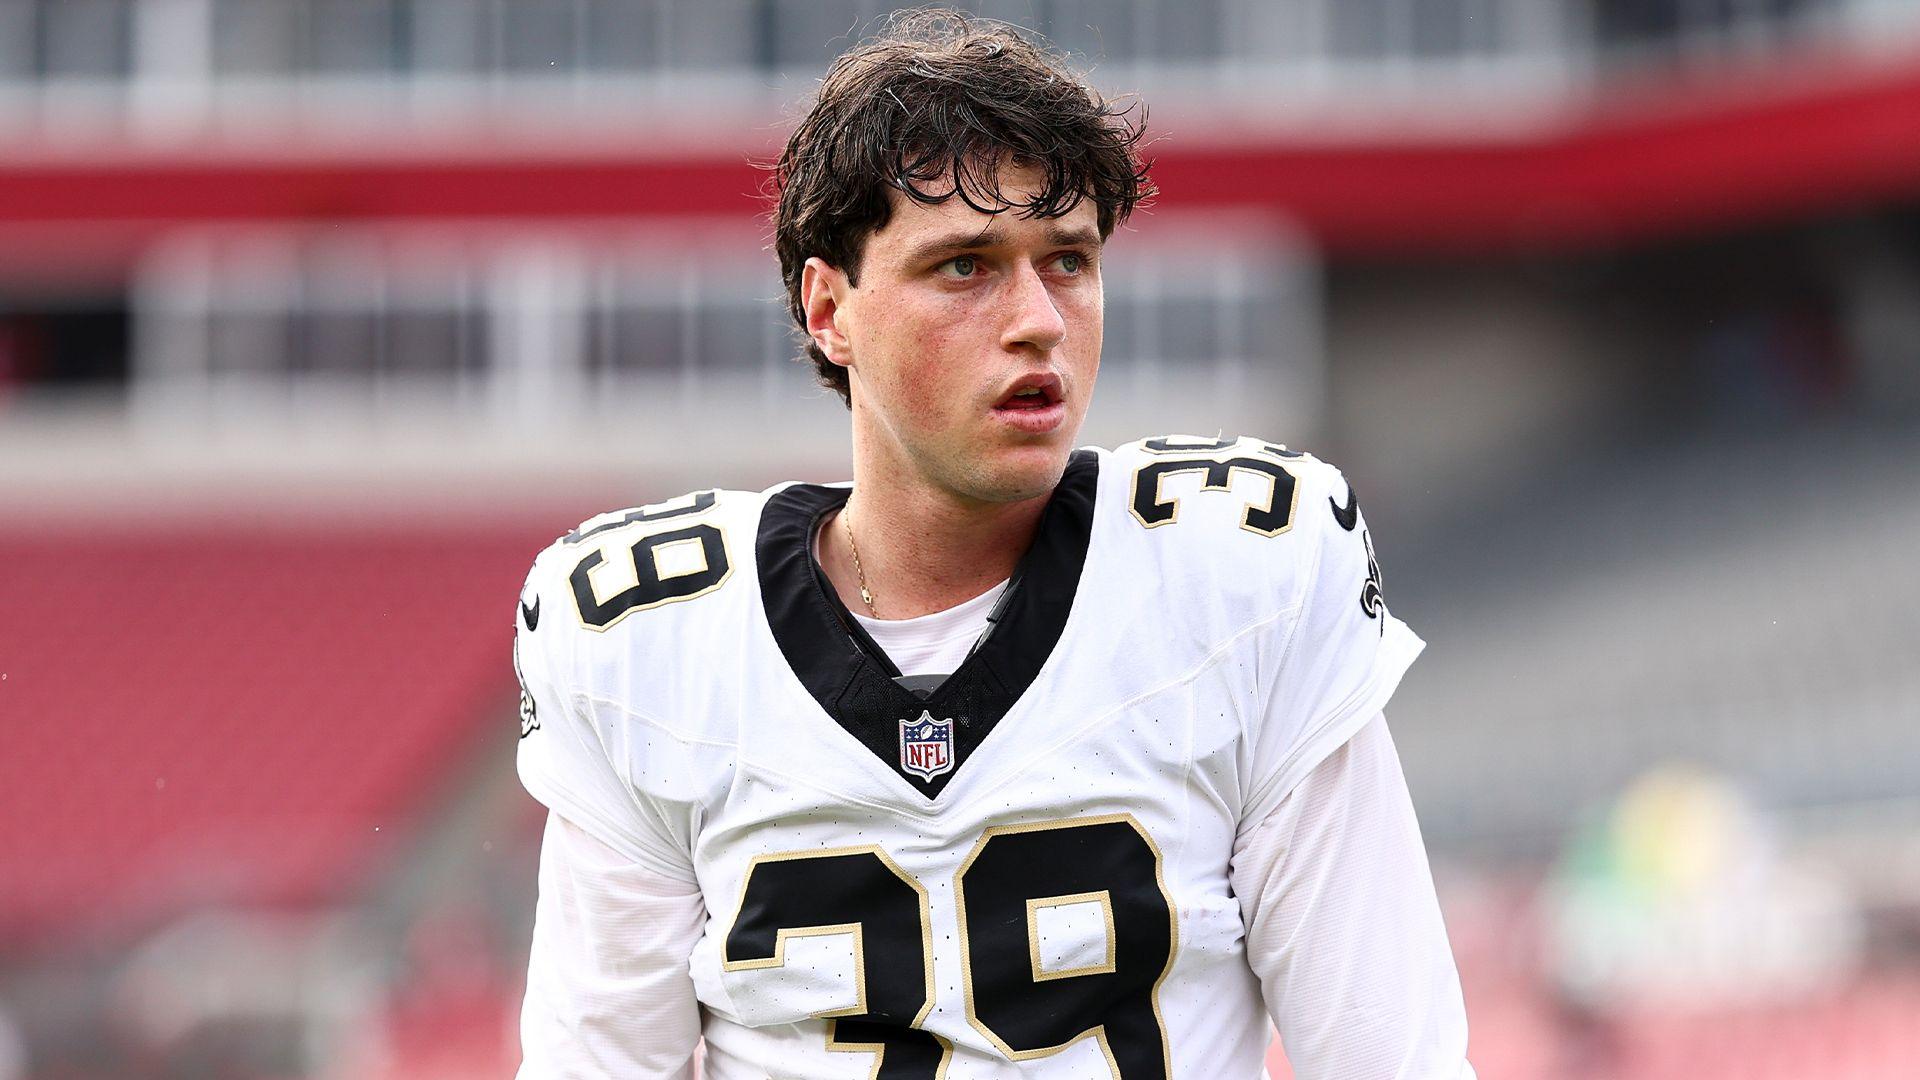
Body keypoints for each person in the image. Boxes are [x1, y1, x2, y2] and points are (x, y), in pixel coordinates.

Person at [512, 11, 1474, 1078]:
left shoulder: (1243, 578)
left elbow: (1393, 1059)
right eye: (966, 266)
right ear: (830, 309)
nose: (1038, 319)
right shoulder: (651, 644)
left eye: (1068, 261)